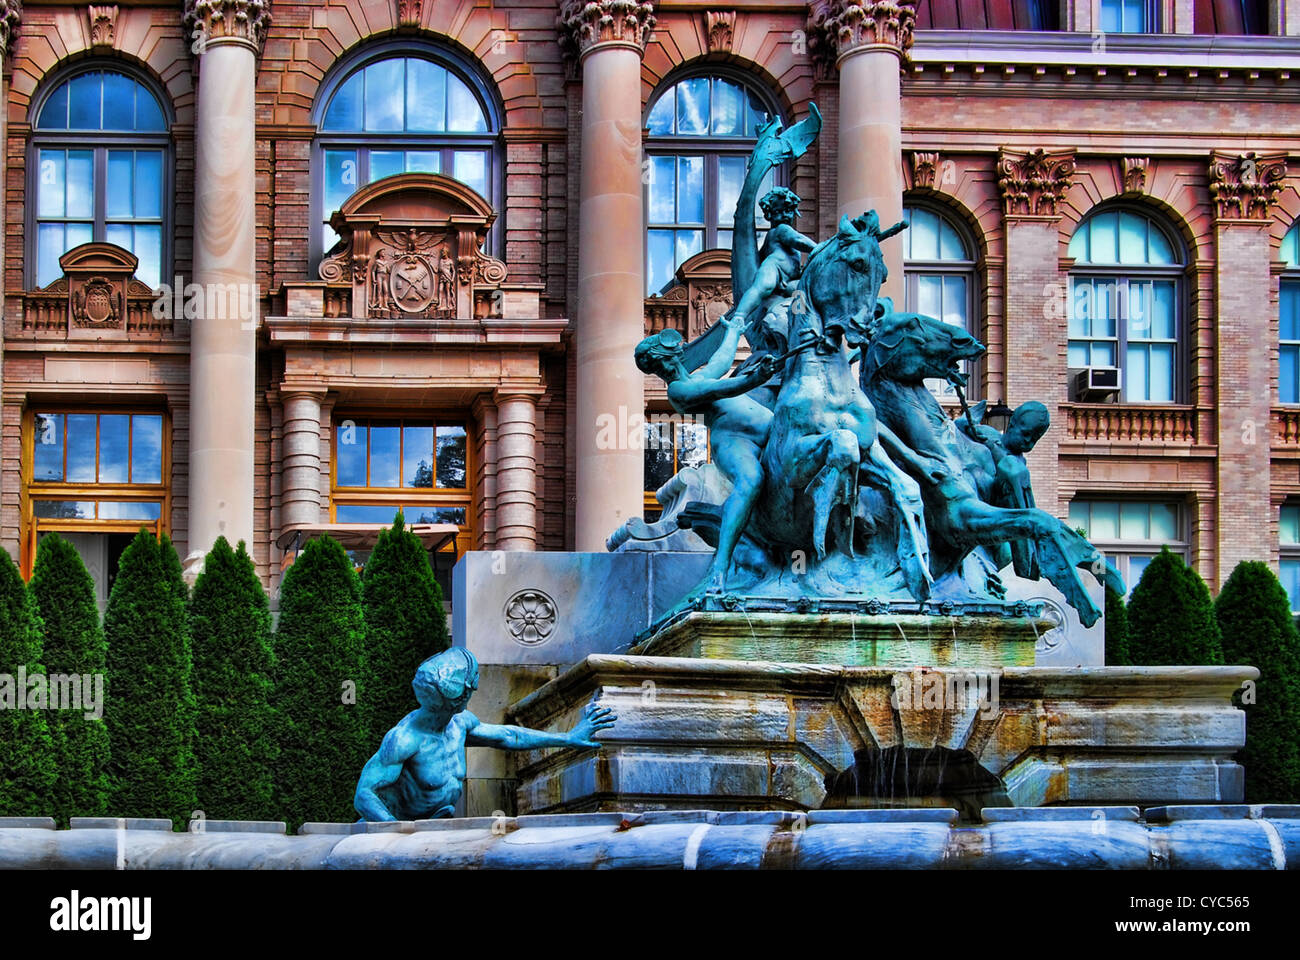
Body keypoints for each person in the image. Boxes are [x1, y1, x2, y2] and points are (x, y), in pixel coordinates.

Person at [354, 647, 616, 821]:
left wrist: (568, 738)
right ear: (458, 697)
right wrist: (396, 832)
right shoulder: (404, 739)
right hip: (400, 833)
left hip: (433, 829)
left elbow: (508, 737)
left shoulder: (459, 723)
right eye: (471, 687)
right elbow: (364, 794)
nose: (474, 690)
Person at [635, 318, 781, 594]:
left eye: (676, 350)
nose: (681, 351)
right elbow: (721, 389)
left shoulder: (695, 377)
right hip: (736, 442)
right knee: (751, 481)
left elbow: (722, 363)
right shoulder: (678, 390)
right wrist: (755, 378)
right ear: (663, 365)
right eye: (674, 352)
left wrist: (734, 331)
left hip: (771, 428)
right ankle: (721, 567)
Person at [960, 401, 1050, 578]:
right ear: (1012, 424)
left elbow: (1011, 485)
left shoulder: (1018, 464)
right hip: (972, 504)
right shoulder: (988, 433)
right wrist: (968, 426)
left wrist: (994, 449)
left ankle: (987, 577)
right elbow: (956, 431)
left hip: (994, 514)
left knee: (1005, 554)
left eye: (1034, 440)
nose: (1028, 441)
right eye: (1026, 434)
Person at [730, 187, 818, 330]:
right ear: (771, 214)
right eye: (780, 211)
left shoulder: (772, 235)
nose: (785, 215)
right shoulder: (782, 229)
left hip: (787, 281)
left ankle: (799, 327)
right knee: (761, 287)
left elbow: (759, 255)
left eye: (788, 211)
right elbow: (799, 241)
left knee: (800, 293)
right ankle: (739, 316)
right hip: (774, 268)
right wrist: (821, 248)